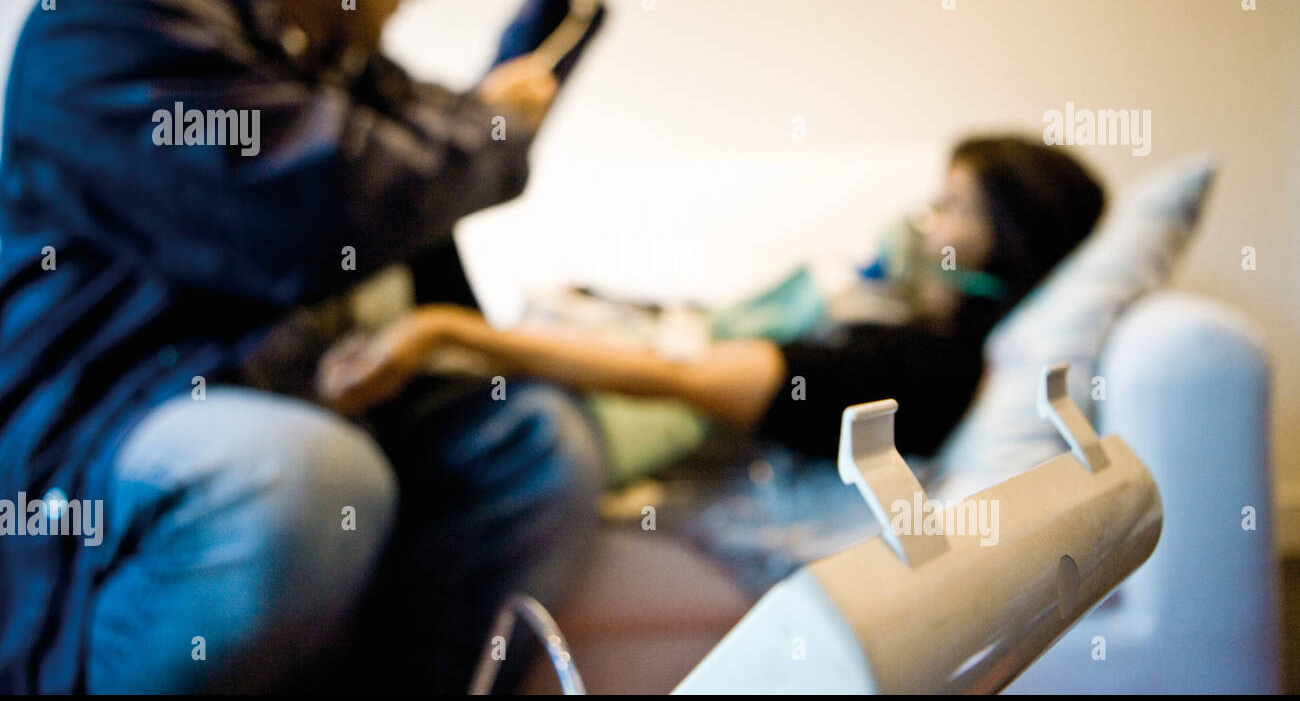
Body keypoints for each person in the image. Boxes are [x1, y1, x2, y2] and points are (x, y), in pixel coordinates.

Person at [0, 0, 612, 693]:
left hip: (301, 401)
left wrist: (557, 8)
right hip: (102, 430)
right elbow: (321, 202)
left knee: (538, 440)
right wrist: (487, 124)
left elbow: (441, 141)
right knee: (304, 476)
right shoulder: (107, 23)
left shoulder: (335, 71)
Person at [317, 136, 1107, 467]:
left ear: (1009, 240)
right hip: (590, 355)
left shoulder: (916, 366)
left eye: (953, 207)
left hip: (601, 422)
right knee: (409, 221)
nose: (922, 221)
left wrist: (450, 330)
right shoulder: (891, 320)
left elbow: (678, 375)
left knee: (402, 237)